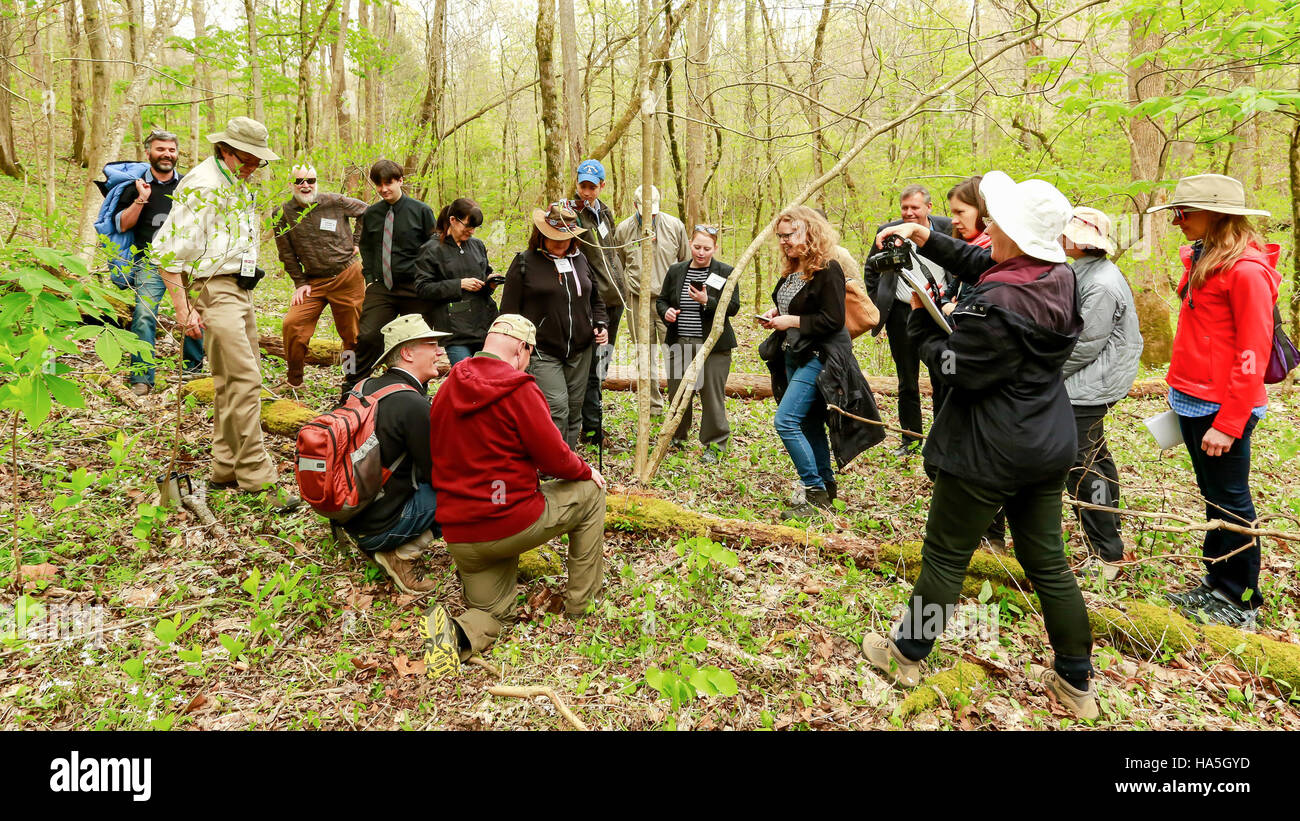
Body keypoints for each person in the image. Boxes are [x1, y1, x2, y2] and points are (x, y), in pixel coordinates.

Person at [862, 171, 1097, 719]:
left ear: (1014, 232)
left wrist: (921, 324)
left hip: (988, 446)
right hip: (1044, 440)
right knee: (1050, 563)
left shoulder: (996, 301)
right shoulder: (1057, 276)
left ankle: (907, 653)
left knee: (945, 556)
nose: (988, 224)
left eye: (998, 221)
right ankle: (1076, 681)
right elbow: (989, 265)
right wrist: (928, 240)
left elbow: (955, 367)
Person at [421, 314, 607, 679]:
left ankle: (447, 640)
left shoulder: (448, 385)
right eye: (530, 353)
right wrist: (587, 470)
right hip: (510, 522)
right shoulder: (519, 388)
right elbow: (554, 457)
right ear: (522, 348)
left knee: (496, 613)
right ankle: (582, 605)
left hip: (461, 535)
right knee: (590, 492)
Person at [1147, 174, 1279, 628]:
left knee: (1230, 501)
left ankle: (1241, 598)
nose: (1176, 221)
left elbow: (1253, 352)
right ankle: (1216, 583)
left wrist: (1231, 420)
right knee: (1213, 497)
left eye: (1184, 213)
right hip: (1191, 400)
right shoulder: (1203, 258)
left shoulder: (1246, 271)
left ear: (1216, 214)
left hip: (1223, 408)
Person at [150, 117, 285, 497]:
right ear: (226, 150)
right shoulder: (204, 185)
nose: (255, 166)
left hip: (239, 289)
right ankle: (258, 477)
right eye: (249, 158)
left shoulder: (235, 184)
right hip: (213, 289)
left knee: (233, 381)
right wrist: (183, 309)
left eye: (259, 161)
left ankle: (224, 467)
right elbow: (167, 254)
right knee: (246, 382)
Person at [759, 207, 883, 518]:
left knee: (785, 422)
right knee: (807, 423)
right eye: (781, 236)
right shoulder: (793, 268)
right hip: (793, 353)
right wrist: (777, 314)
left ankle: (812, 491)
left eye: (791, 234)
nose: (785, 241)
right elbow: (794, 304)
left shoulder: (828, 268)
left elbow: (832, 319)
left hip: (820, 356)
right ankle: (826, 490)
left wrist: (792, 320)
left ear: (810, 232)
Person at [1059, 207, 1143, 581]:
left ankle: (1105, 552)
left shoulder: (1102, 283)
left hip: (1091, 384)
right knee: (1095, 456)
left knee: (1080, 464)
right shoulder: (1084, 271)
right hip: (1087, 381)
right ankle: (1111, 539)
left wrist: (1043, 375)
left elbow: (1084, 346)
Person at [341, 314, 448, 594]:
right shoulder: (411, 404)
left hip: (351, 513)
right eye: (432, 345)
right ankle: (400, 555)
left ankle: (377, 537)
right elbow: (440, 476)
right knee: (465, 491)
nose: (440, 352)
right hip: (380, 526)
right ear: (407, 352)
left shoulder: (363, 387)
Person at [103, 130, 205, 395]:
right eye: (160, 149)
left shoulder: (189, 185)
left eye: (171, 150)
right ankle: (141, 377)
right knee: (144, 315)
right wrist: (141, 198)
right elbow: (122, 224)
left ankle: (193, 370)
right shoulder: (134, 186)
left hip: (185, 262)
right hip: (148, 262)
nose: (167, 155)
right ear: (148, 152)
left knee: (194, 312)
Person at [500, 202, 608, 447]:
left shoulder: (580, 260)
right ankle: (551, 466)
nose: (560, 243)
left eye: (565, 238)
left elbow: (596, 300)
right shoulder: (524, 263)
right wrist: (515, 348)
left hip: (581, 350)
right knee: (556, 407)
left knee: (574, 408)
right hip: (542, 351)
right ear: (541, 235)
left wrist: (600, 324)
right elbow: (508, 311)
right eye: (554, 237)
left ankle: (567, 462)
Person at [865, 184, 953, 457]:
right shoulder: (887, 231)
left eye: (915, 207)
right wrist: (879, 307)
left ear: (929, 208)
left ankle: (941, 438)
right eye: (905, 208)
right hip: (901, 313)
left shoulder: (947, 229)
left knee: (942, 376)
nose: (909, 213)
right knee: (907, 380)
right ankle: (911, 439)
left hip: (940, 312)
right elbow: (871, 269)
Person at [342, 159, 438, 396]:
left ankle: (417, 392)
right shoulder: (371, 214)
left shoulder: (421, 211)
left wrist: (424, 276)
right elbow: (367, 247)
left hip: (414, 288)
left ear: (400, 181)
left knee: (415, 341)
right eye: (379, 184)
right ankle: (350, 388)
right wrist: (371, 276)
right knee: (365, 337)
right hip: (382, 286)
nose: (384, 189)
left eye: (389, 183)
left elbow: (433, 246)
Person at [273, 163, 368, 389]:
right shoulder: (282, 213)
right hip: (312, 281)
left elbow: (367, 212)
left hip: (347, 275)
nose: (305, 185)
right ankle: (294, 381)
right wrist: (299, 282)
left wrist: (357, 241)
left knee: (352, 336)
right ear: (291, 184)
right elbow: (285, 252)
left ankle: (351, 380)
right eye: (299, 181)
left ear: (317, 182)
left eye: (310, 181)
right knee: (293, 325)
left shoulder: (334, 201)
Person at [656, 225, 740, 461]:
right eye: (697, 247)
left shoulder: (725, 272)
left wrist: (707, 301)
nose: (701, 252)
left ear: (715, 248)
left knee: (711, 395)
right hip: (680, 341)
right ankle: (677, 435)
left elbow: (733, 307)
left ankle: (715, 444)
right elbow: (661, 300)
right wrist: (667, 313)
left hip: (713, 346)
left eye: (706, 248)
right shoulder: (677, 270)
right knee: (678, 392)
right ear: (690, 244)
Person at [613, 185, 689, 415]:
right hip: (638, 300)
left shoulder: (675, 226)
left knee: (675, 353)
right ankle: (653, 407)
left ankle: (678, 407)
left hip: (669, 302)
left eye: (654, 212)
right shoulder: (624, 229)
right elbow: (619, 264)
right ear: (635, 206)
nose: (651, 216)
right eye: (647, 211)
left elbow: (685, 262)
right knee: (644, 356)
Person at [571, 160, 626, 446]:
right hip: (594, 302)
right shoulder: (572, 214)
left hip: (615, 299)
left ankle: (589, 423)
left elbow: (612, 253)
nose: (587, 192)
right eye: (583, 186)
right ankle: (592, 429)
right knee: (591, 366)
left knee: (601, 366)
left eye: (592, 187)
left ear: (602, 186)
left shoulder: (604, 212)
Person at [413, 197, 499, 365]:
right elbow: (422, 288)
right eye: (468, 226)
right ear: (452, 220)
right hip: (454, 331)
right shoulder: (432, 249)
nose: (472, 231)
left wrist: (490, 283)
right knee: (466, 378)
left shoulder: (477, 245)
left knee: (490, 376)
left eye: (475, 227)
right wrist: (458, 284)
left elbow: (485, 273)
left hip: (483, 324)